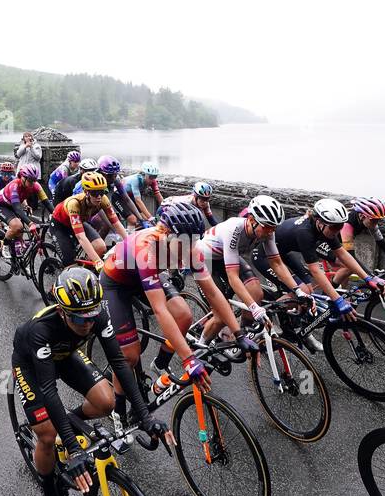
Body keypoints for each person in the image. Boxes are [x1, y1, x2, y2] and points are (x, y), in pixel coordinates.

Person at [10, 266, 171, 496]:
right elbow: (49, 390)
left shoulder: (96, 314)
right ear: (61, 310)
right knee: (48, 435)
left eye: (91, 317)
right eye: (78, 318)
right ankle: (50, 494)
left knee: (106, 402)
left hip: (66, 355)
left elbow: (119, 363)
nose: (86, 324)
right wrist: (74, 449)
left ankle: (69, 423)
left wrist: (145, 416)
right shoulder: (41, 329)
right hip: (32, 365)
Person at [102, 202, 257, 403]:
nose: (189, 248)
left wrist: (239, 334)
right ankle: (119, 411)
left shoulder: (191, 249)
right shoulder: (147, 249)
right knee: (130, 356)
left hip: (147, 275)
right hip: (117, 283)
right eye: (183, 243)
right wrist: (188, 359)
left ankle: (159, 364)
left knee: (184, 315)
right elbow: (160, 310)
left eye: (193, 241)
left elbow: (213, 293)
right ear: (167, 234)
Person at [253, 199, 385, 350]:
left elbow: (343, 255)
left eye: (341, 225)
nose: (338, 230)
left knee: (309, 289)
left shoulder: (328, 228)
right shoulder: (305, 232)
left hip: (283, 253)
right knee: (302, 291)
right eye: (335, 227)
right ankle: (268, 319)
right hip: (264, 256)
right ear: (319, 222)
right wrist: (337, 299)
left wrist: (369, 278)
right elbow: (315, 270)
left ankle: (301, 330)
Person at [194, 195, 308, 342]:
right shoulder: (234, 229)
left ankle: (243, 333)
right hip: (203, 260)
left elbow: (277, 263)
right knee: (223, 314)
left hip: (224, 257)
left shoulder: (267, 231)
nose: (271, 232)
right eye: (267, 227)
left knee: (255, 292)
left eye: (274, 227)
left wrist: (297, 290)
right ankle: (200, 347)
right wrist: (254, 308)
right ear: (252, 220)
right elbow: (233, 276)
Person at [49, 171, 127, 269]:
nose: (99, 196)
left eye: (102, 192)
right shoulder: (74, 203)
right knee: (71, 266)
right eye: (95, 193)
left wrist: (130, 243)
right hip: (60, 226)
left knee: (100, 247)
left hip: (78, 222)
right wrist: (98, 261)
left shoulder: (103, 199)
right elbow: (81, 237)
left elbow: (116, 223)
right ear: (86, 192)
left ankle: (85, 272)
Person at [328, 197, 385, 285]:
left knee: (345, 276)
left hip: (337, 241)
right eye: (374, 221)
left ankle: (340, 294)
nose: (376, 224)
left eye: (378, 220)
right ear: (362, 216)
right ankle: (328, 295)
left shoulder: (370, 221)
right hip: (324, 243)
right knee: (348, 267)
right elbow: (351, 257)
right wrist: (371, 276)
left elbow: (382, 243)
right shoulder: (347, 224)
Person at [0, 163, 54, 246]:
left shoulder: (36, 185)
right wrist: (31, 224)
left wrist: (56, 216)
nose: (32, 183)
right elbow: (17, 208)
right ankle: (4, 246)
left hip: (14, 205)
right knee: (17, 226)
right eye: (30, 180)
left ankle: (17, 252)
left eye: (34, 180)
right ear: (22, 177)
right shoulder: (14, 186)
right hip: (1, 206)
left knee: (20, 234)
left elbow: (46, 202)